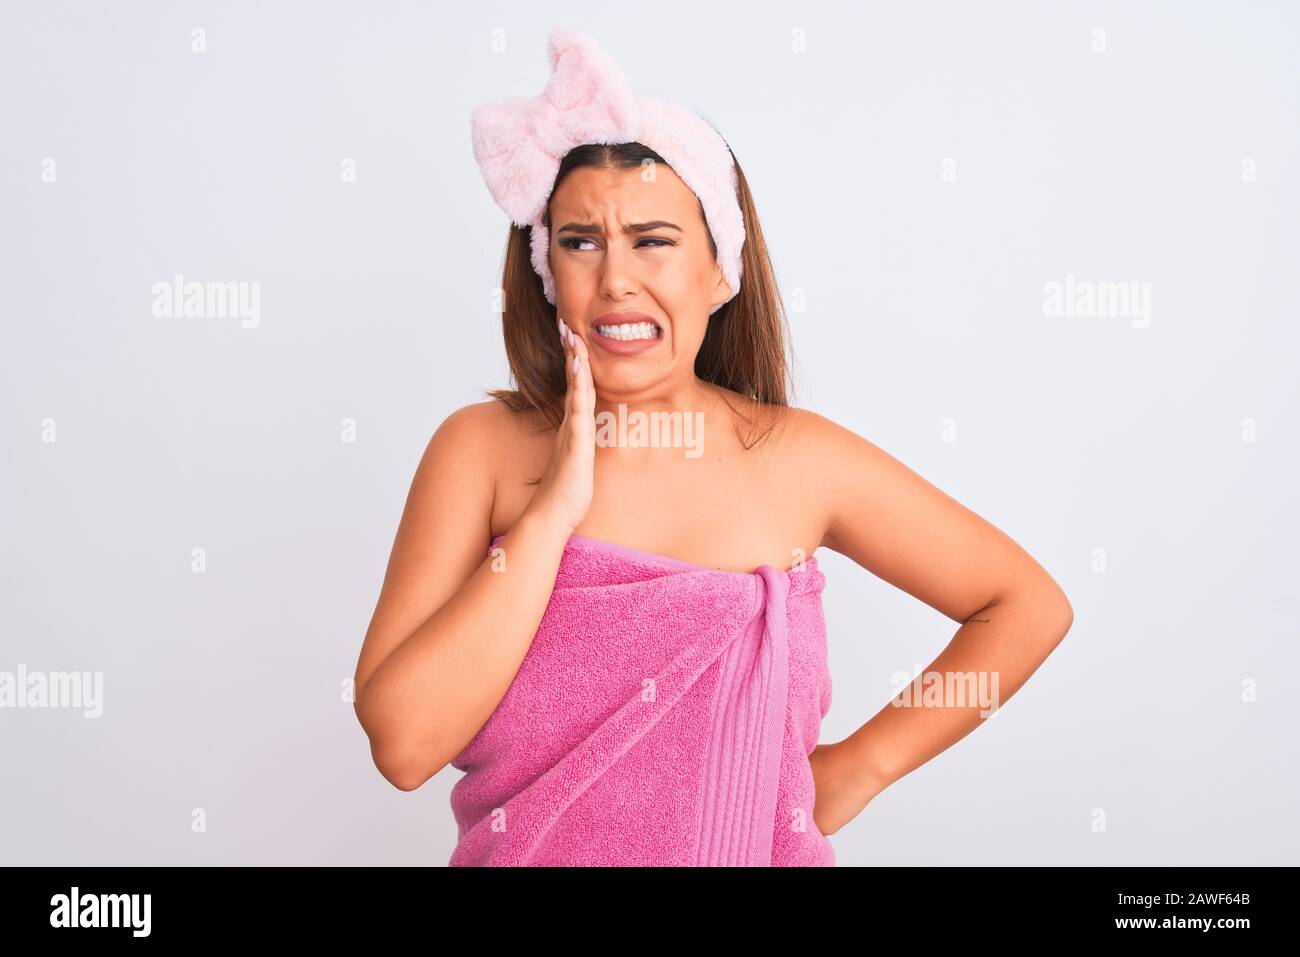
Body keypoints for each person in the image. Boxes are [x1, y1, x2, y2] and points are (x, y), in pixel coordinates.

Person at [352, 29, 1073, 865]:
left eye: (653, 240)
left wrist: (858, 767)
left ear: (719, 270)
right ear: (547, 268)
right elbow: (402, 744)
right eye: (581, 240)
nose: (615, 278)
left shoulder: (799, 461)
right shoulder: (479, 450)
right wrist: (550, 516)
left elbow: (1024, 605)